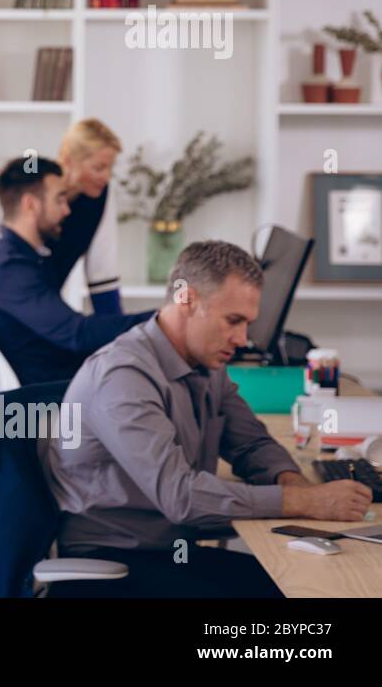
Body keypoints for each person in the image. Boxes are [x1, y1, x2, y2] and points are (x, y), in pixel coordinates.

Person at [43, 240, 373, 598]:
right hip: (115, 564)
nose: (242, 339)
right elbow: (182, 497)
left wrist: (295, 484)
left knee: (306, 584)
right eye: (233, 321)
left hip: (172, 548)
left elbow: (251, 443)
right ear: (186, 299)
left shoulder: (204, 362)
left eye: (247, 324)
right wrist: (304, 503)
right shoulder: (123, 377)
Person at [0, 156, 152, 385]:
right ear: (30, 204)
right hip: (52, 391)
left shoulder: (22, 257)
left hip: (68, 379)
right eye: (59, 199)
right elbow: (78, 334)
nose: (67, 210)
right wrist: (159, 320)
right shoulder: (10, 269)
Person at [0, 118, 125, 313]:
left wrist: (119, 329)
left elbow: (102, 272)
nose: (106, 176)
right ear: (68, 160)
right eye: (98, 168)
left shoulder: (102, 197)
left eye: (111, 167)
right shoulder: (32, 174)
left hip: (33, 296)